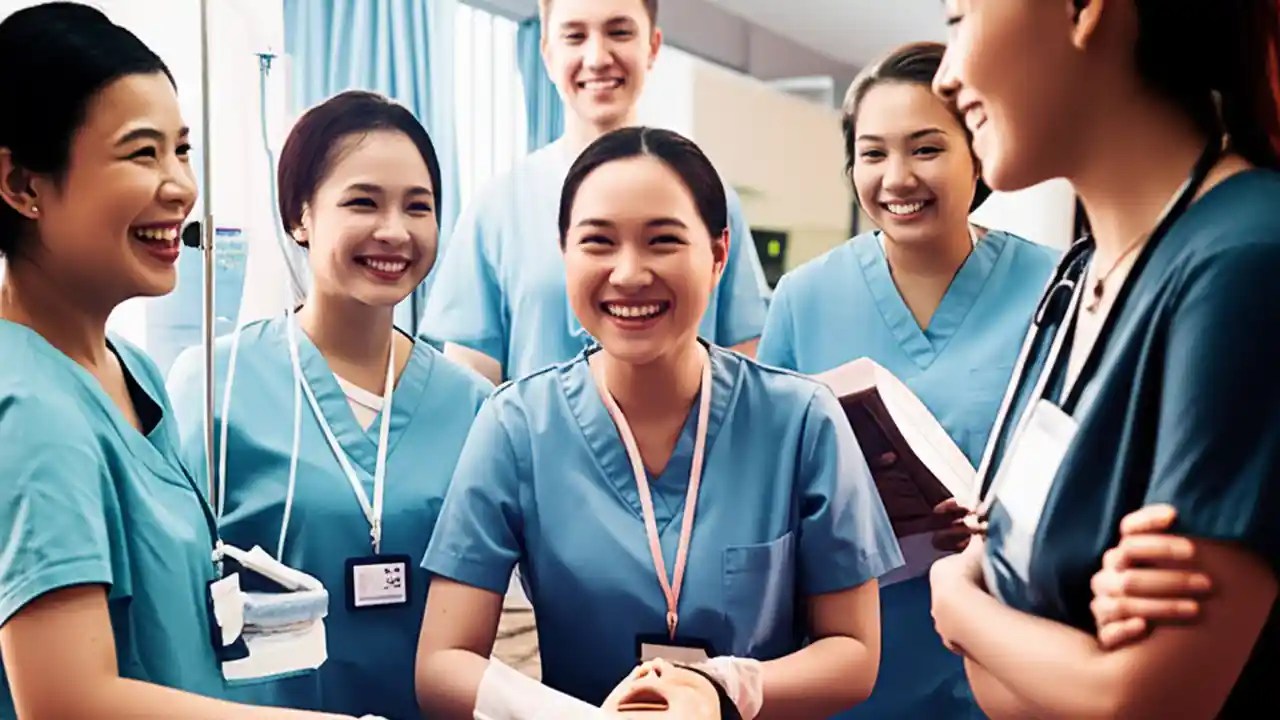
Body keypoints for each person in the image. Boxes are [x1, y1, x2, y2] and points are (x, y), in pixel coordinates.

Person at [415, 126, 903, 720]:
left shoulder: (801, 421)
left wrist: (724, 691)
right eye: (598, 242)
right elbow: (442, 663)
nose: (628, 273)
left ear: (719, 253)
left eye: (662, 241)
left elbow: (853, 652)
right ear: (564, 251)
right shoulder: (516, 426)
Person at [0, 4, 372, 719]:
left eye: (182, 149)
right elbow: (67, 699)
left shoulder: (130, 371)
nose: (180, 186)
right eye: (142, 153)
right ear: (22, 186)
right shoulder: (27, 406)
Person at [928, 0, 1280, 717]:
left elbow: (1142, 698)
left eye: (960, 16)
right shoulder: (1085, 276)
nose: (944, 75)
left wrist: (957, 604)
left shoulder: (1246, 260)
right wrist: (1020, 621)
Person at [166, 91, 491, 720]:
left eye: (418, 207)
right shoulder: (215, 384)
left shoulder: (473, 407)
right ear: (300, 216)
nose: (395, 230)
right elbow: (173, 601)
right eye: (363, 202)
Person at [756, 41, 1058, 720]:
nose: (897, 178)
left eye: (925, 149)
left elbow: (1089, 471)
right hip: (850, 665)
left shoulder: (1056, 290)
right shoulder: (803, 300)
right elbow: (764, 489)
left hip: (1010, 658)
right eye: (872, 153)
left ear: (976, 154)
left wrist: (993, 528)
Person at [420, 0, 769, 388]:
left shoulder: (706, 194)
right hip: (536, 446)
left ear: (652, 47)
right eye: (575, 36)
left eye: (619, 32)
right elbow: (471, 380)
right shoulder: (500, 206)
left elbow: (743, 364)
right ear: (548, 53)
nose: (597, 57)